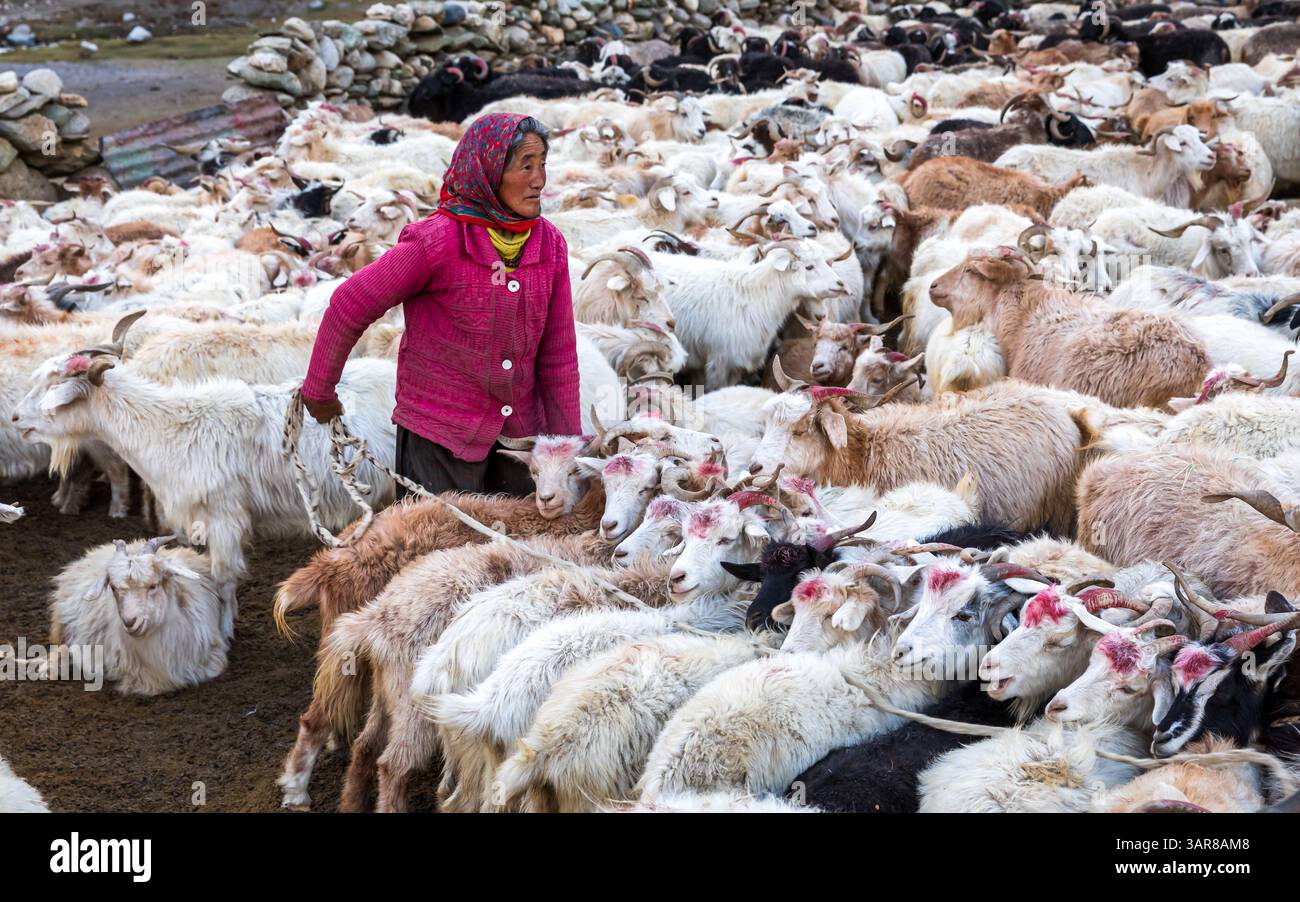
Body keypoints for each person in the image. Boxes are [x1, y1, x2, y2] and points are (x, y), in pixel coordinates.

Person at [301, 112, 581, 498]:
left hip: (518, 442)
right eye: (525, 166)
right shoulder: (436, 242)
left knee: (515, 553)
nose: (539, 180)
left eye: (543, 165)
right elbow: (351, 303)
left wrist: (564, 446)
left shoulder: (548, 244)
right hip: (440, 437)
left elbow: (559, 353)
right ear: (488, 170)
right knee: (440, 551)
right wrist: (319, 391)